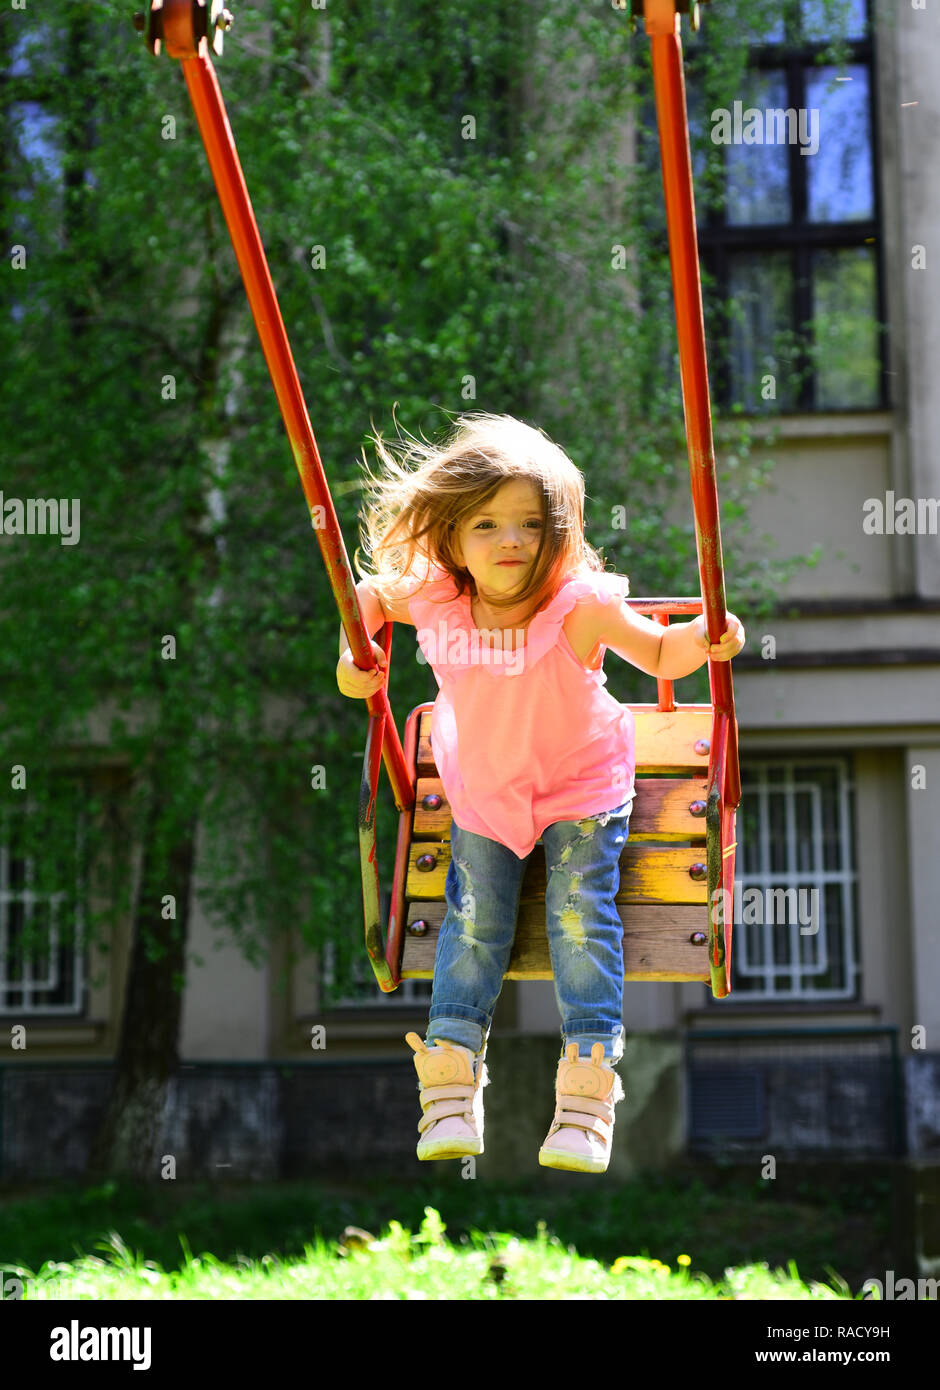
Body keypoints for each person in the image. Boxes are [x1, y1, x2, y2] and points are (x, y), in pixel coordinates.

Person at [337, 411, 744, 1173]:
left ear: (556, 530)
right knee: (473, 919)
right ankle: (451, 1089)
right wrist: (350, 660)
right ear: (451, 534)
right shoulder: (433, 599)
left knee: (576, 915)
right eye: (486, 524)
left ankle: (587, 1093)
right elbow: (366, 593)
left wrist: (710, 636)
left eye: (530, 522)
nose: (510, 541)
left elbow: (659, 650)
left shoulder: (577, 604)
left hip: (580, 788)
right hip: (485, 793)